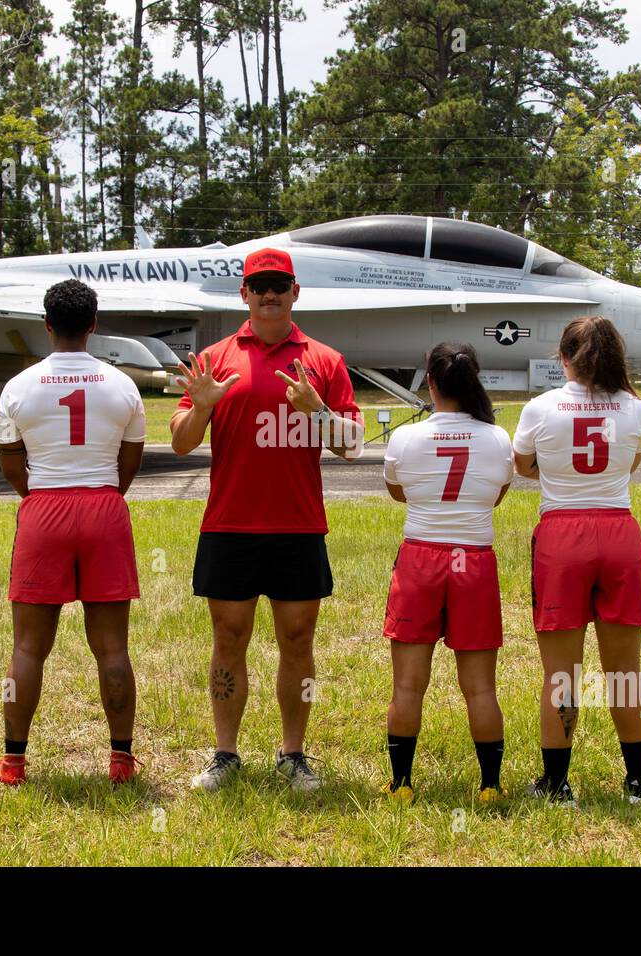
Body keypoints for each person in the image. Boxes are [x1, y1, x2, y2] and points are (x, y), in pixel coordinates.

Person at [170, 247, 364, 793]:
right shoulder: (214, 358)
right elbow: (182, 444)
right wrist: (202, 405)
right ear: (245, 295)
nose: (270, 293)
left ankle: (293, 754)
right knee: (228, 638)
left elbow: (352, 446)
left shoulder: (324, 359)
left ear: (296, 292)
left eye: (280, 284)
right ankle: (225, 755)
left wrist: (318, 411)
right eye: (260, 285)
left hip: (298, 526)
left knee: (298, 640)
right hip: (230, 525)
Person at [0, 279, 147, 787]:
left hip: (43, 507)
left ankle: (12, 764)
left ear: (47, 324)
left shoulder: (18, 386)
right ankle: (120, 761)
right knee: (112, 648)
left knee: (28, 649)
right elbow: (129, 464)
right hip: (103, 506)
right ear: (93, 325)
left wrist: (43, 499)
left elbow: (13, 468)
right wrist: (98, 494)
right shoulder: (123, 385)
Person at [512, 315, 641, 805]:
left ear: (564, 358)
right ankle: (638, 781)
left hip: (562, 536)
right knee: (626, 670)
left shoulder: (540, 407)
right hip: (619, 531)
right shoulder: (634, 408)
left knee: (560, 672)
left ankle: (556, 784)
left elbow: (524, 465)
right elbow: (631, 464)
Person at [380, 343, 514, 805]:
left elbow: (398, 493)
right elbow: (495, 497)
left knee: (408, 684)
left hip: (421, 558)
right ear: (474, 380)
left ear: (431, 383)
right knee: (479, 687)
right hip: (473, 559)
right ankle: (490, 786)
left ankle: (401, 785)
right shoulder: (498, 439)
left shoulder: (406, 439)